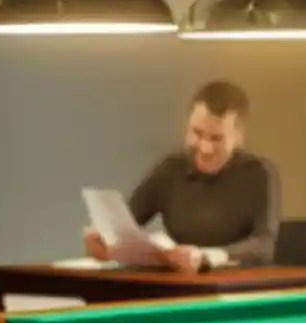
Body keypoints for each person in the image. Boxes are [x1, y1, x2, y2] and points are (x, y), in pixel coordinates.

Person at [84, 80, 281, 273]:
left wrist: (206, 257)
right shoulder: (171, 169)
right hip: (179, 286)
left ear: (238, 138)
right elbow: (125, 226)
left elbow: (263, 246)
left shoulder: (259, 174)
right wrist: (104, 240)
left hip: (237, 291)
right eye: (197, 133)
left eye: (216, 138)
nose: (205, 147)